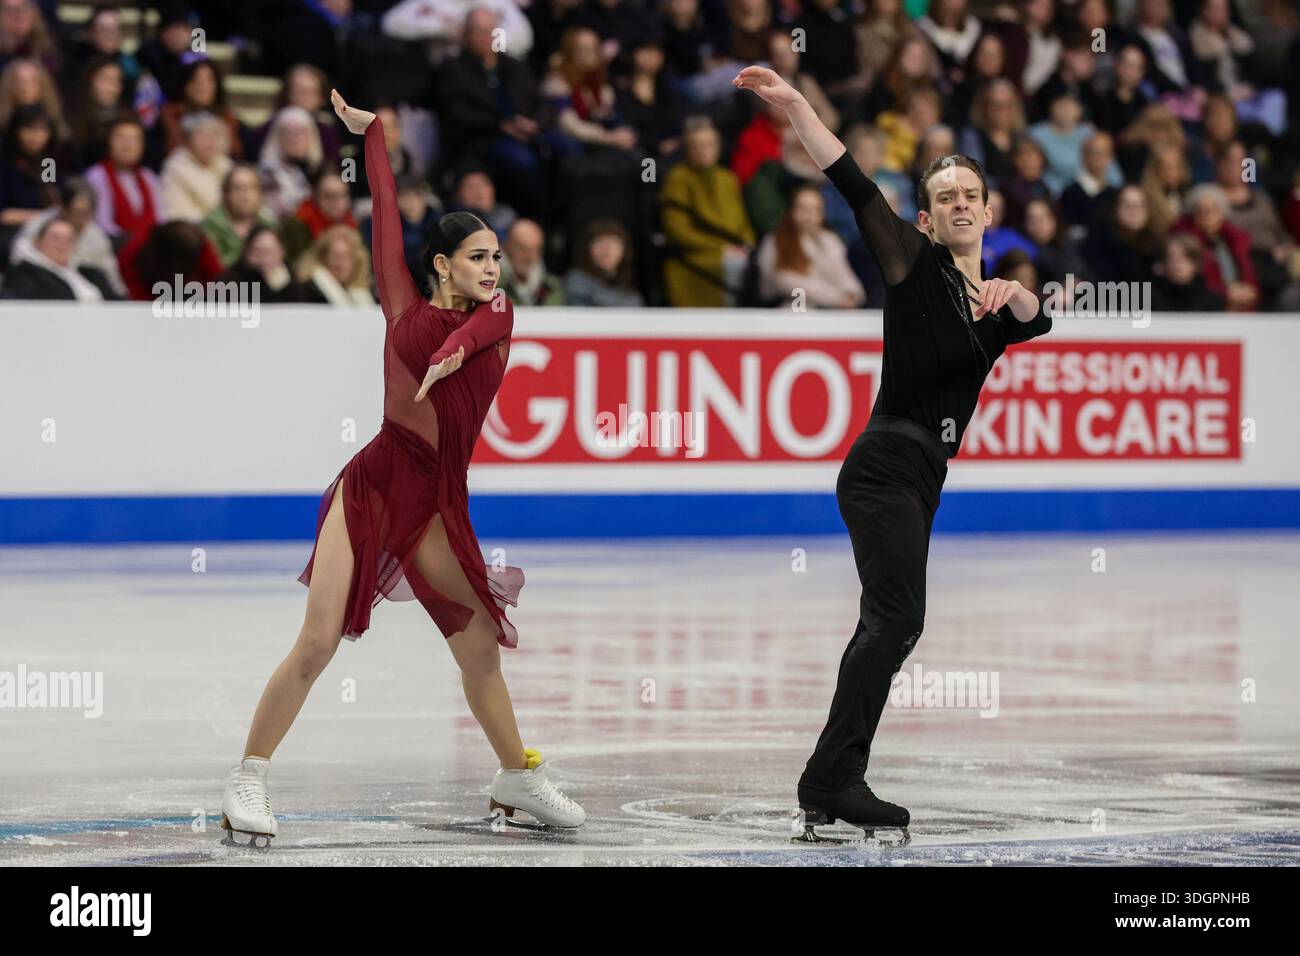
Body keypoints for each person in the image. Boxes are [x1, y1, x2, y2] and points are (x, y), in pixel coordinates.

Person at [220, 89, 585, 847]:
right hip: (377, 481)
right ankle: (247, 776)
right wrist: (374, 137)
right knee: (318, 640)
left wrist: (452, 352)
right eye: (478, 257)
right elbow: (384, 215)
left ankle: (516, 776)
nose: (494, 266)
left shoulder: (500, 319)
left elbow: (491, 321)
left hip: (440, 501)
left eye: (496, 254)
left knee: (479, 647)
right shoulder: (399, 304)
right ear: (443, 265)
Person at [733, 64, 1051, 839]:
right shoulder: (913, 267)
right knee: (896, 620)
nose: (960, 205)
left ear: (987, 208)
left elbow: (1040, 321)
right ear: (928, 217)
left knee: (891, 622)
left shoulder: (997, 305)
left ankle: (832, 777)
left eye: (970, 195)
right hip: (882, 467)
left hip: (918, 478)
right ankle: (833, 778)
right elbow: (851, 180)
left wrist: (1019, 295)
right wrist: (800, 105)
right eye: (945, 198)